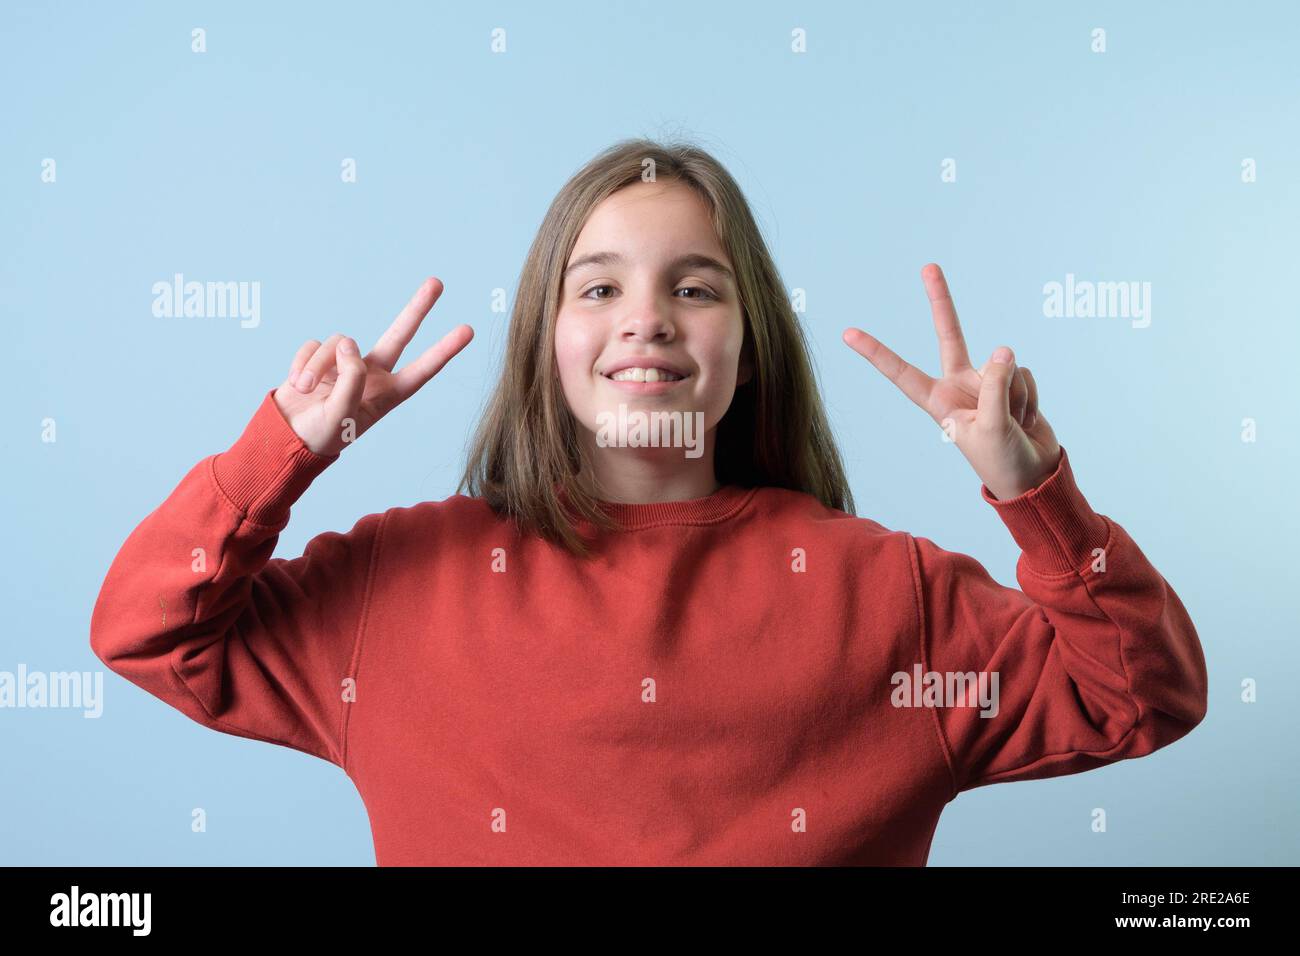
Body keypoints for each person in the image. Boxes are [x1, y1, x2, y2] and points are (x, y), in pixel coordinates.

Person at [90, 139, 1208, 865]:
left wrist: (1031, 490)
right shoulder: (403, 581)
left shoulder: (891, 595)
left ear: (750, 337)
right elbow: (150, 629)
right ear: (548, 339)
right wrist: (284, 448)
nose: (647, 318)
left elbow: (1140, 694)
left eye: (694, 285)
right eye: (600, 287)